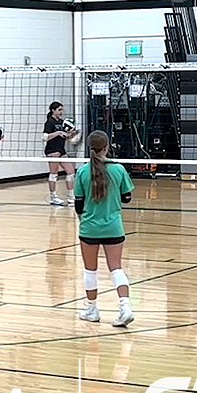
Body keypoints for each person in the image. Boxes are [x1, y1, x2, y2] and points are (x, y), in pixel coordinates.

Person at [74, 130, 135, 327]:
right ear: (107, 147)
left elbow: (78, 206)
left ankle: (92, 309)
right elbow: (127, 198)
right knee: (116, 268)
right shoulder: (118, 169)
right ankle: (125, 307)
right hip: (114, 227)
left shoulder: (82, 172)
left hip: (89, 228)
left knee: (90, 270)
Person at [42, 101, 81, 206]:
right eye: (59, 110)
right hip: (52, 151)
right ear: (53, 110)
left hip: (61, 150)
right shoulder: (49, 122)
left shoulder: (62, 122)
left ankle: (71, 197)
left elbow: (66, 136)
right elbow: (45, 137)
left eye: (61, 110)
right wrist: (58, 133)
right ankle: (53, 197)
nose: (61, 112)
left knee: (71, 171)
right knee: (54, 174)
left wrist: (72, 134)